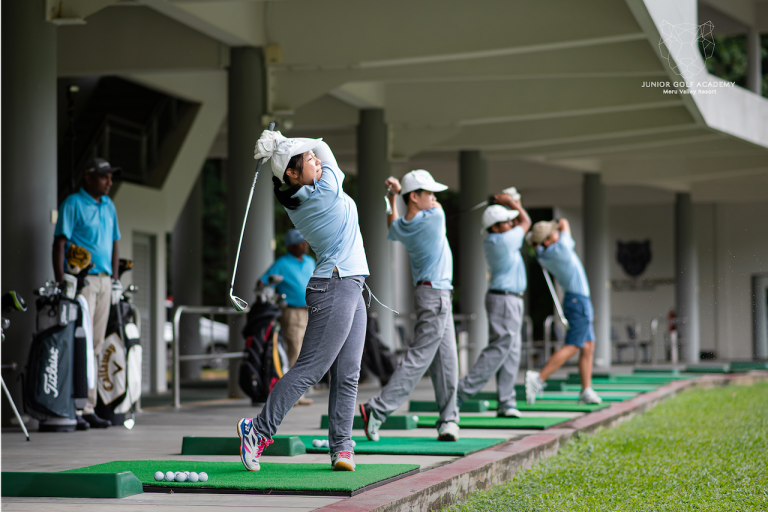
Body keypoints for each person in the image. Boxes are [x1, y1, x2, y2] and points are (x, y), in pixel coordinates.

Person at [237, 131, 369, 472]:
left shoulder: (304, 194)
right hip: (336, 285)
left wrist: (286, 146)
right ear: (293, 175)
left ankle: (342, 447)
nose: (318, 160)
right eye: (308, 160)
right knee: (312, 368)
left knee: (348, 373)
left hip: (350, 285)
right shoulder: (324, 191)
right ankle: (258, 430)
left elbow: (317, 151)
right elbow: (324, 144)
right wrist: (284, 140)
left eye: (312, 158)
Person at [360, 170, 460, 442]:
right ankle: (377, 409)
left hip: (434, 295)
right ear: (415, 196)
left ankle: (448, 420)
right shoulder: (435, 216)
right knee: (419, 359)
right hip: (435, 295)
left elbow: (394, 222)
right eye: (429, 193)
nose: (435, 197)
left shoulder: (404, 225)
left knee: (447, 360)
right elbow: (434, 207)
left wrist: (395, 195)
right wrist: (401, 193)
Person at [52, 158, 123, 429]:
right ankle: (74, 406)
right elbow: (59, 243)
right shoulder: (73, 203)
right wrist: (62, 281)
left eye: (110, 177)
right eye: (104, 177)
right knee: (78, 343)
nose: (109, 181)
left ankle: (88, 406)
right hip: (82, 282)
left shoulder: (109, 205)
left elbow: (116, 242)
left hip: (105, 282)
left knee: (95, 344)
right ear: (89, 177)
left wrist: (115, 280)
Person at [456, 192, 531, 417]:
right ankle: (461, 392)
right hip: (504, 299)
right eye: (507, 221)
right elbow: (525, 221)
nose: (511, 223)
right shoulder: (503, 240)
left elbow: (518, 221)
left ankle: (506, 402)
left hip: (511, 298)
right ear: (496, 227)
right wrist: (510, 202)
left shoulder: (502, 237)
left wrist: (510, 204)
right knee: (499, 349)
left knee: (512, 351)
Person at [524, 219, 602, 405]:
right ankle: (539, 378)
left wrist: (543, 235)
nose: (557, 233)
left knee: (588, 345)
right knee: (574, 345)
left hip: (574, 299)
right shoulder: (560, 249)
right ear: (549, 239)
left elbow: (537, 239)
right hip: (578, 300)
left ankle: (586, 390)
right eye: (553, 233)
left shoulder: (543, 253)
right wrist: (557, 224)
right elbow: (565, 222)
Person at [258, 228, 316, 406]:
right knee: (296, 351)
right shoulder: (281, 263)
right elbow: (262, 281)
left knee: (307, 351)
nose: (304, 245)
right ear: (291, 246)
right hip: (291, 312)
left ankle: (298, 392)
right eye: (300, 242)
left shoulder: (310, 261)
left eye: (305, 241)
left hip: (310, 311)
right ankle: (293, 395)